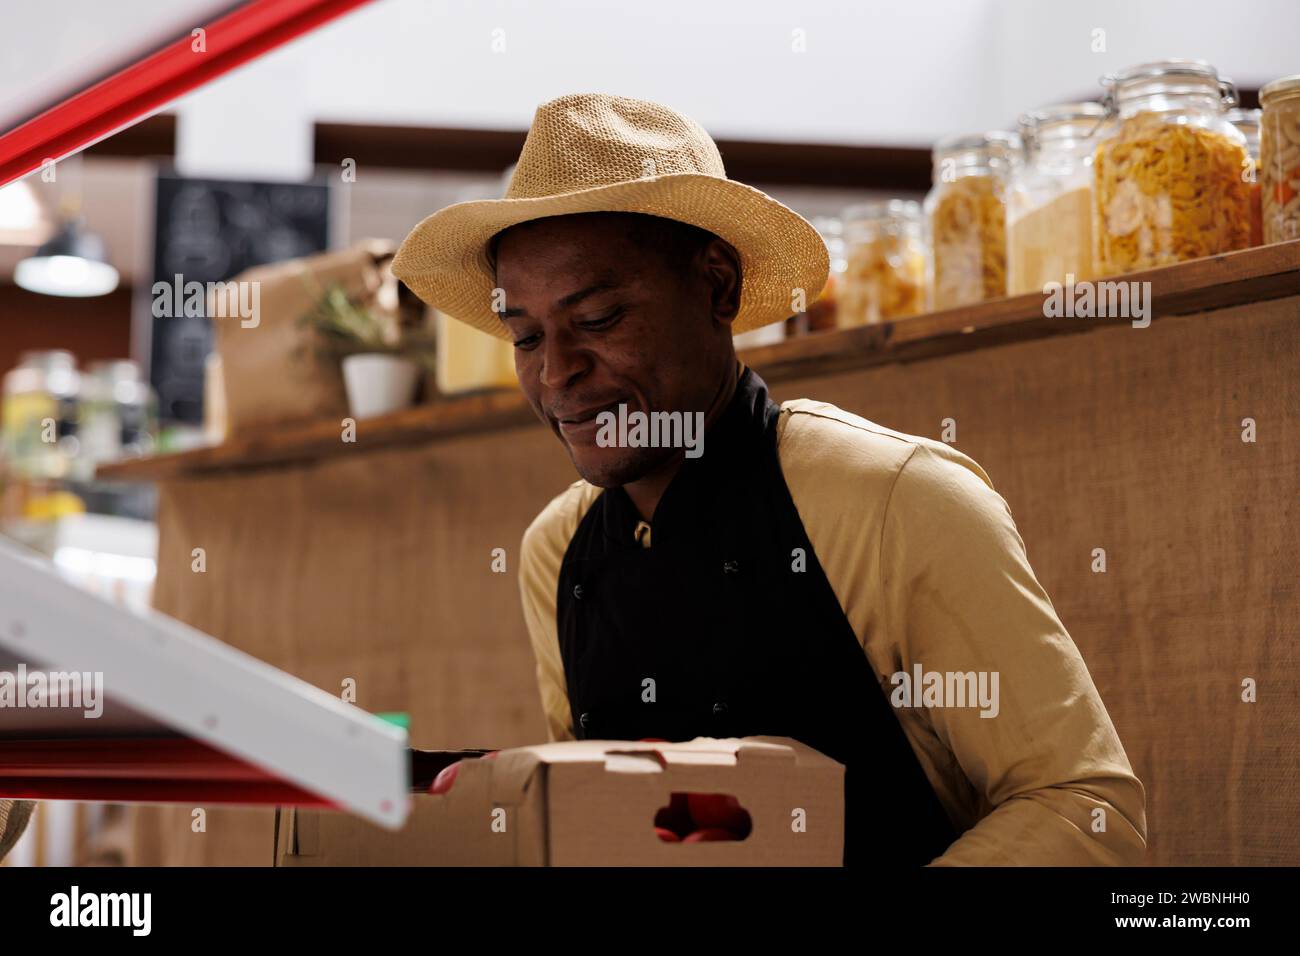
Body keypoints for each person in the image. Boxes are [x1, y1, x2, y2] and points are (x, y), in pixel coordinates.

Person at [392, 92, 1147, 866]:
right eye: (525, 336)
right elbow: (599, 828)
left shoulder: (898, 499)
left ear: (718, 285)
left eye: (600, 319)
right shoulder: (556, 551)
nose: (556, 372)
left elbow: (1086, 808)